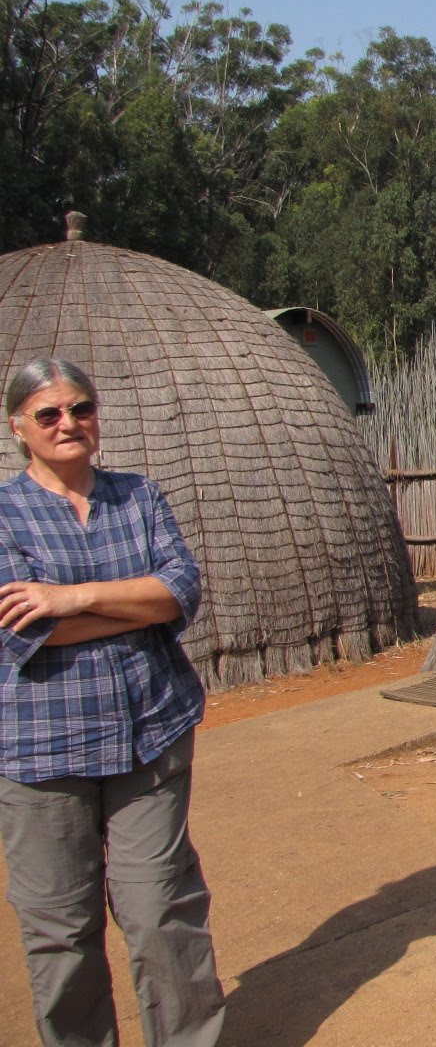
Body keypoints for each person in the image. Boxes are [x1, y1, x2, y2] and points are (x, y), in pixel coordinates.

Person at [0, 358, 224, 1047]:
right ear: (20, 428)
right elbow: (25, 629)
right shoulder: (4, 515)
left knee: (162, 911)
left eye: (81, 408)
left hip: (149, 730)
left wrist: (73, 596)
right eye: (49, 414)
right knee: (61, 930)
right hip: (43, 751)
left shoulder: (139, 497)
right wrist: (136, 603)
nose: (69, 423)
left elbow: (179, 591)